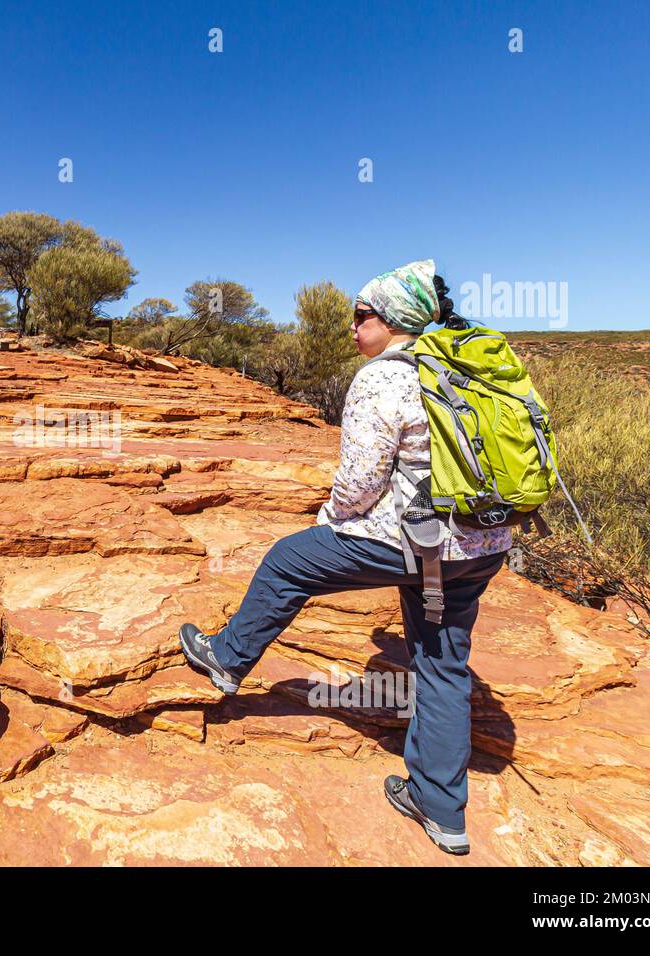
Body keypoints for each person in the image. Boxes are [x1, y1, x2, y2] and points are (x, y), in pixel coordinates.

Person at [178, 259, 511, 856]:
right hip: (482, 545)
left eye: (361, 317)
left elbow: (359, 482)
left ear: (394, 322)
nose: (353, 328)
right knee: (441, 664)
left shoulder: (383, 378)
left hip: (414, 543)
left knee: (288, 561)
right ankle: (443, 813)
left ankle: (225, 660)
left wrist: (330, 522)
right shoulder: (464, 367)